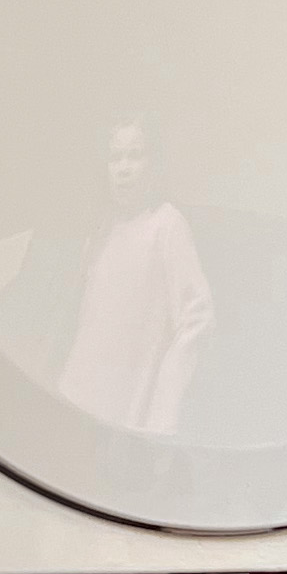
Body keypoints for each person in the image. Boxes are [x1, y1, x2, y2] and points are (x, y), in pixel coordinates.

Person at [55, 119, 214, 435]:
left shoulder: (167, 225)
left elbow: (196, 320)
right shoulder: (102, 229)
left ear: (154, 166)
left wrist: (163, 414)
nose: (123, 169)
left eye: (135, 156)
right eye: (115, 158)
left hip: (128, 411)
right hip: (76, 398)